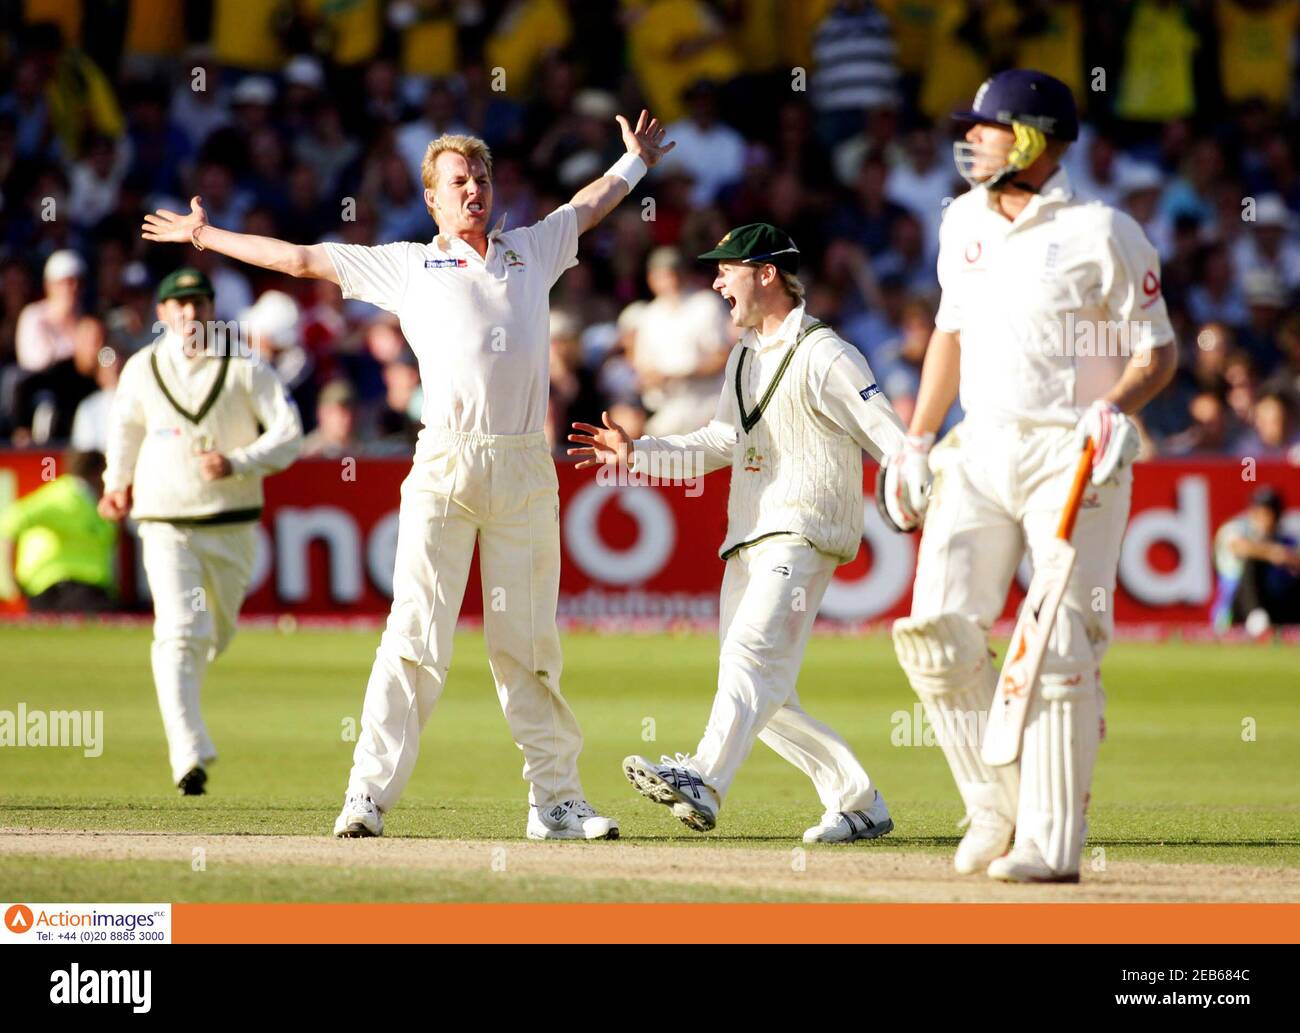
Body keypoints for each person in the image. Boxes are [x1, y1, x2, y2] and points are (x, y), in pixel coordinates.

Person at [141, 111, 676, 840]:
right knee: (416, 634)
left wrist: (635, 163)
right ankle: (366, 795)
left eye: (481, 178)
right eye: (458, 182)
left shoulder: (531, 250)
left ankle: (555, 801)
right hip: (446, 460)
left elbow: (587, 206)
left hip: (523, 461)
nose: (474, 191)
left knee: (528, 642)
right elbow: (300, 260)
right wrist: (205, 236)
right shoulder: (409, 264)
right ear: (433, 200)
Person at [879, 71, 1178, 883]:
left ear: (1036, 137)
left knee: (1055, 642)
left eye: (989, 127)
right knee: (936, 633)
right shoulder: (961, 219)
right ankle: (994, 809)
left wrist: (1117, 405)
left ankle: (1051, 841)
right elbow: (949, 332)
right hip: (977, 447)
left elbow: (1159, 349)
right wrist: (915, 438)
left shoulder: (1102, 230)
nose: (970, 140)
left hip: (1072, 451)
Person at [569, 223, 907, 842]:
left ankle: (704, 776)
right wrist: (637, 451)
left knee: (750, 657)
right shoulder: (745, 355)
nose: (717, 281)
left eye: (728, 268)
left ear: (768, 273)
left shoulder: (826, 352)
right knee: (760, 688)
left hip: (805, 527)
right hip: (748, 532)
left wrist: (919, 493)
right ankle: (859, 802)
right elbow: (723, 441)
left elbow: (889, 435)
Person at [98, 268, 303, 795]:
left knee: (216, 630)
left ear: (211, 310)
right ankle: (187, 752)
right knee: (179, 631)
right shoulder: (142, 369)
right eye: (178, 305)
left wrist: (237, 463)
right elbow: (124, 429)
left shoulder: (244, 366)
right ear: (162, 314)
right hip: (164, 519)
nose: (189, 314)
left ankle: (190, 726)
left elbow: (288, 434)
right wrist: (116, 483)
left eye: (198, 303)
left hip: (230, 523)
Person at [0, 449, 116, 613]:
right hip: (60, 588)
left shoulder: (90, 500)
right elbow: (11, 520)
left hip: (88, 587)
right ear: (99, 473)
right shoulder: (64, 497)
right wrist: (10, 578)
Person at [1212, 487, 1300, 631]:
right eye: (1261, 513)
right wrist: (1273, 552)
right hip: (1236, 607)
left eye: (1270, 514)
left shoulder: (1285, 538)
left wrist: (1290, 560)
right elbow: (1240, 547)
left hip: (1276, 606)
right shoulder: (1236, 529)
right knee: (1253, 561)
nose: (1265, 520)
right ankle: (1255, 615)